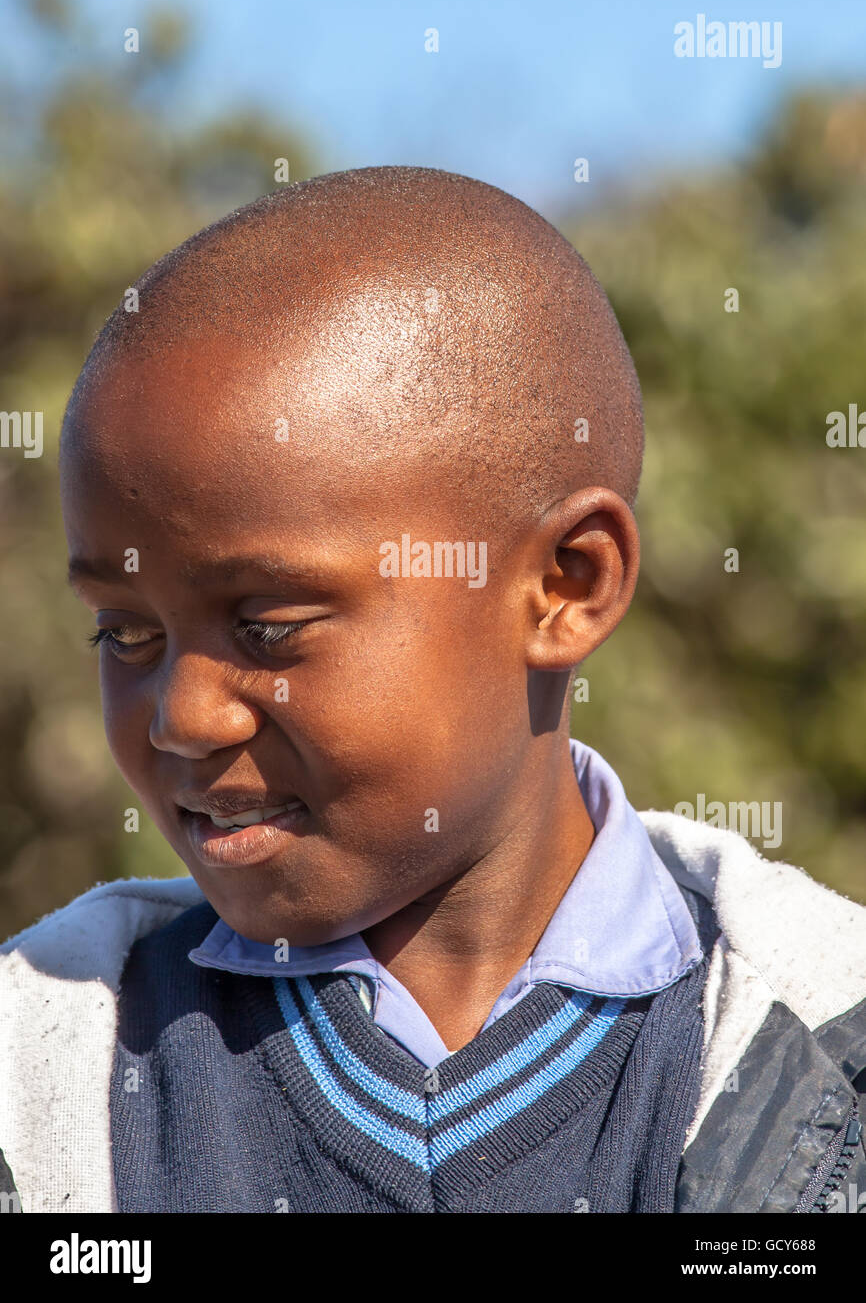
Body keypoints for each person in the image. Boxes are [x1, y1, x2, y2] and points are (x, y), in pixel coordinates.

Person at [1, 166, 864, 1214]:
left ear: (565, 587)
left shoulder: (816, 1064)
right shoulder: (52, 1076)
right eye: (124, 631)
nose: (183, 715)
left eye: (268, 626)